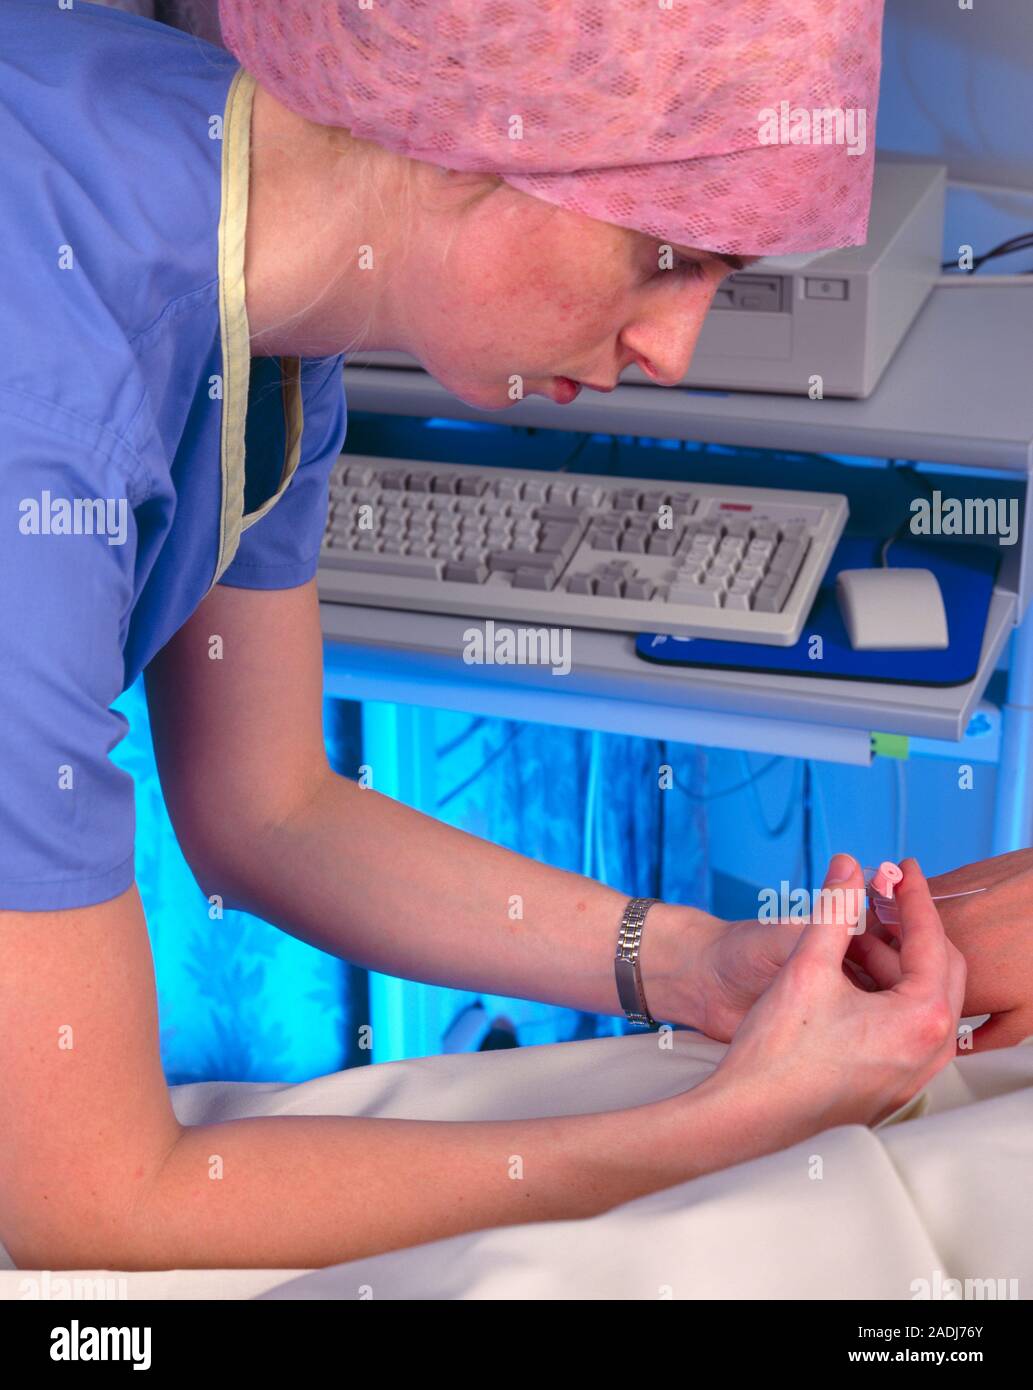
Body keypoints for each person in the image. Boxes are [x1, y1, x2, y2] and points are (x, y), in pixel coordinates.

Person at [0, 0, 1024, 1275]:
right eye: (662, 253)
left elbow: (269, 809)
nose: (670, 349)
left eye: (719, 278)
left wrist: (694, 962)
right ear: (467, 132)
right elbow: (85, 1196)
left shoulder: (262, 269)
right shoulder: (39, 409)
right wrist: (721, 1130)